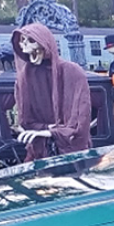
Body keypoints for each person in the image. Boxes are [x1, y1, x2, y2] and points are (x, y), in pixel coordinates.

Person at [12, 23, 91, 161]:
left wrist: (54, 132)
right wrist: (46, 128)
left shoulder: (72, 72)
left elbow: (79, 119)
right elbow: (26, 119)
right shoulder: (25, 76)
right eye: (22, 41)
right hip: (39, 151)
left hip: (70, 152)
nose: (25, 45)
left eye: (31, 40)